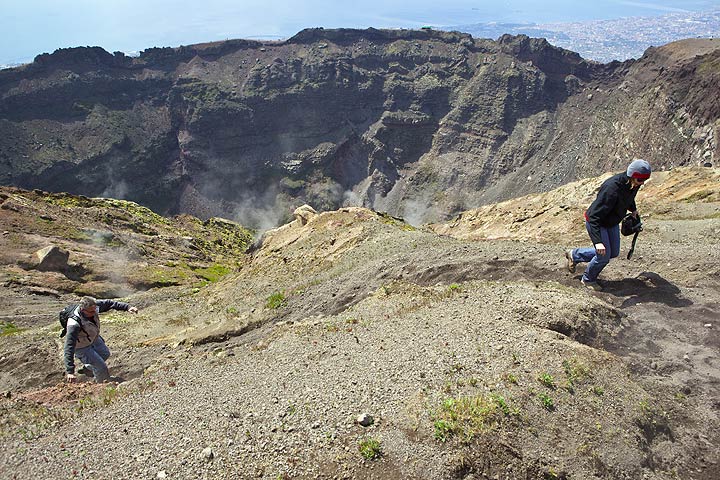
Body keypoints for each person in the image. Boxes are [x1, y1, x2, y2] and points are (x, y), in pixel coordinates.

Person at [565, 159, 651, 291]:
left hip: (612, 222)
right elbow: (593, 217)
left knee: (613, 252)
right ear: (631, 175)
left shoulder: (633, 184)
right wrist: (598, 242)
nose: (642, 183)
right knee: (603, 256)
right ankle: (588, 279)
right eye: (640, 180)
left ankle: (575, 255)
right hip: (598, 223)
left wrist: (633, 209)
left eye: (644, 180)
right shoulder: (611, 189)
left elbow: (629, 197)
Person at [64, 296, 138, 383]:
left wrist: (128, 307)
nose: (95, 312)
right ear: (83, 310)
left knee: (105, 354)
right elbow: (69, 346)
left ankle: (88, 369)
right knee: (101, 366)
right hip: (81, 346)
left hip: (93, 337)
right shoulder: (74, 324)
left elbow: (110, 303)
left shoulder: (94, 307)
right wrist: (70, 371)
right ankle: (103, 386)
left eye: (95, 309)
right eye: (92, 311)